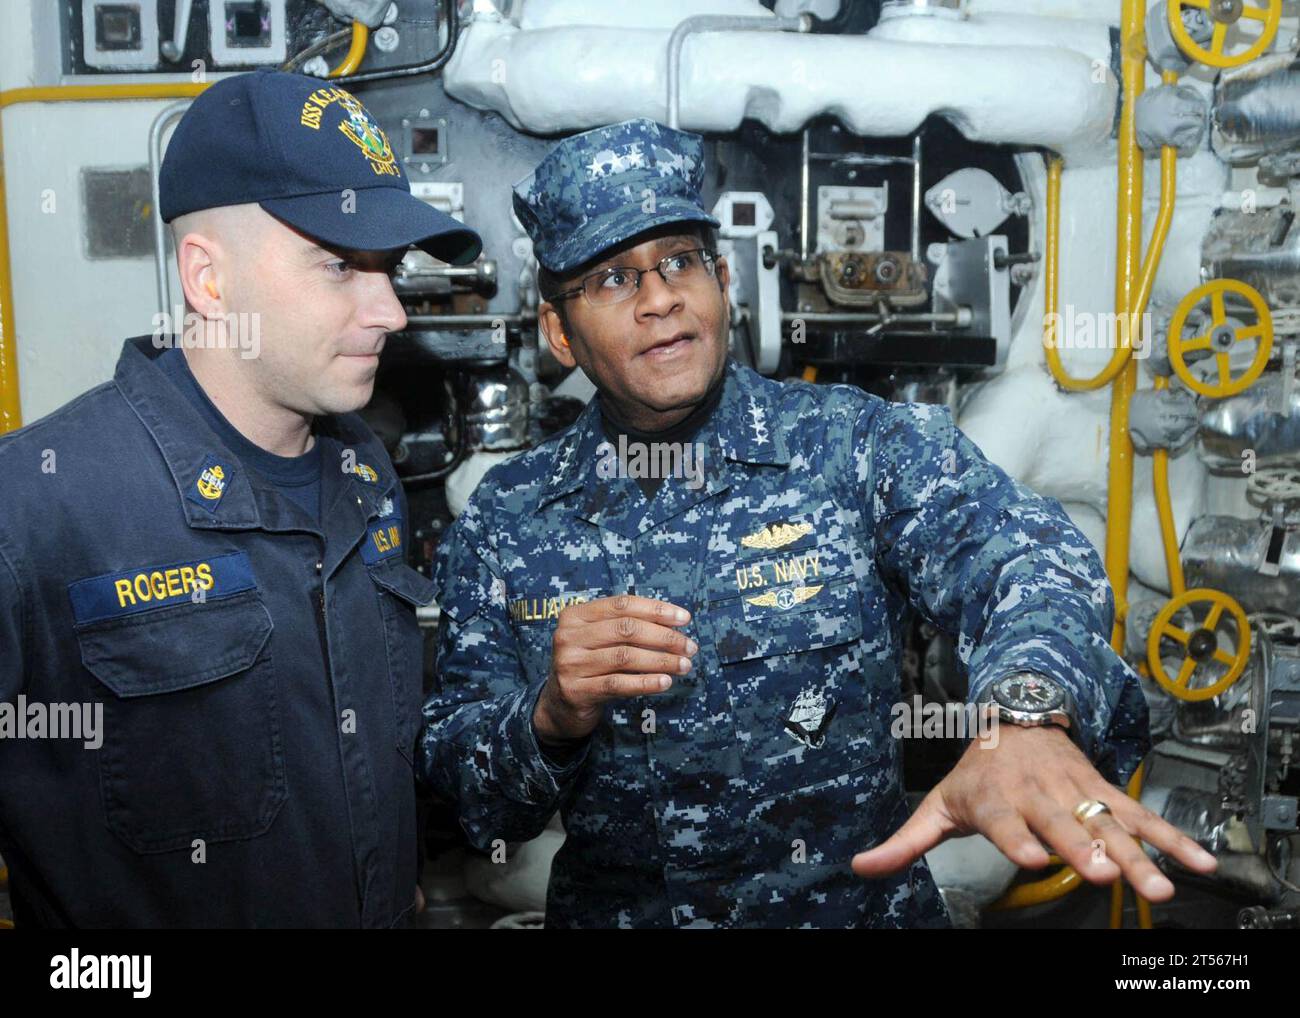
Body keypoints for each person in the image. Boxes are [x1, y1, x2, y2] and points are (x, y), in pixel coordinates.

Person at [419, 117, 1217, 928]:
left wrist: (1024, 715)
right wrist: (552, 716)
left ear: (723, 280)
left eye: (680, 262)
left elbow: (1025, 555)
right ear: (559, 332)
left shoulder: (854, 446)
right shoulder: (510, 518)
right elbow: (467, 794)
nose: (661, 298)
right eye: (615, 280)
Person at [0, 68, 481, 927]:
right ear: (209, 282)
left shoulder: (366, 480)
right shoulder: (36, 511)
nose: (392, 311)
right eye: (339, 266)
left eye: (389, 269)